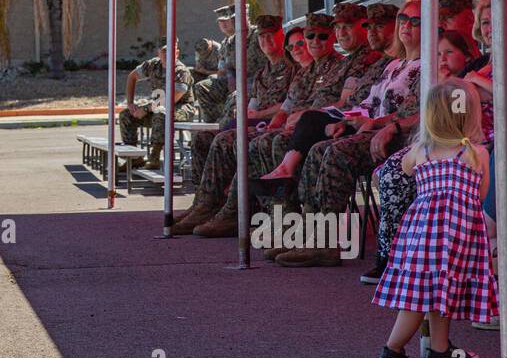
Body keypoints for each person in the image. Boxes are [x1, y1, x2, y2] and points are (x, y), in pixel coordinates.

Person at [274, 1, 424, 267]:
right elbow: (367, 103)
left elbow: (410, 112)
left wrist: (376, 123)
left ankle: (328, 241)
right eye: (404, 20)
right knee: (320, 147)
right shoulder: (394, 65)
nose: (406, 27)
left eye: (415, 21)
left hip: (398, 138)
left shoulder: (428, 66)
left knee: (335, 152)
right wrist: (349, 121)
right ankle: (312, 231)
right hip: (370, 130)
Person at [173, 13, 342, 238]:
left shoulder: (309, 68)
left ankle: (244, 213)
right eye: (297, 44)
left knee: (246, 143)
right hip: (281, 127)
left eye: (304, 42)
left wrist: (267, 118)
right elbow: (281, 110)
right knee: (209, 138)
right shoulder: (278, 73)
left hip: (313, 131)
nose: (301, 47)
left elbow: (307, 106)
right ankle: (208, 203)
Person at [375, 80, 496, 358]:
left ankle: (440, 348)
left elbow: (403, 172)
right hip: (458, 233)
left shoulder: (419, 152)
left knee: (428, 289)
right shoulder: (476, 154)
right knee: (441, 287)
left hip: (422, 233)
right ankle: (392, 348)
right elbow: (480, 194)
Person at [183, 15, 292, 197]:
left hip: (274, 124)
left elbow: (290, 103)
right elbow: (253, 102)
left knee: (226, 140)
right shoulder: (262, 74)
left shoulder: (292, 67)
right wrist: (248, 112)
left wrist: (257, 114)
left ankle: (230, 203)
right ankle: (205, 197)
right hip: (255, 121)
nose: (266, 40)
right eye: (262, 36)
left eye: (271, 35)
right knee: (202, 139)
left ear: (282, 36)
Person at [120, 42, 195, 171]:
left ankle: (154, 158)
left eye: (171, 51)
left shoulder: (181, 71)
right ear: (158, 53)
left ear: (177, 53)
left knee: (161, 112)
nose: (167, 55)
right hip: (157, 108)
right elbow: (132, 77)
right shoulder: (153, 65)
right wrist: (131, 104)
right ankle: (133, 158)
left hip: (182, 109)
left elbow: (172, 99)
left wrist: (145, 108)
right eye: (164, 52)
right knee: (126, 115)